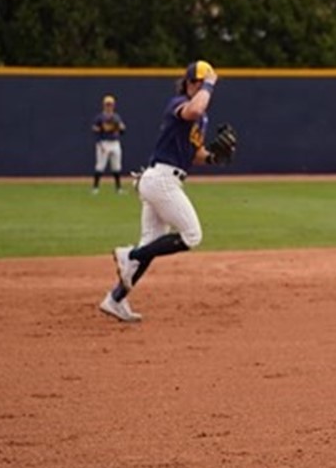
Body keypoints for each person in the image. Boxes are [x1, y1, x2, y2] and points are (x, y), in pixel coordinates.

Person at [99, 61, 235, 323]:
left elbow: (194, 154)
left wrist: (214, 158)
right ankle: (129, 255)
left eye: (202, 82)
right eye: (196, 82)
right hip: (162, 180)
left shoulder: (202, 117)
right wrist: (209, 83)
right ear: (187, 83)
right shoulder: (178, 103)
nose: (199, 86)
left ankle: (114, 299)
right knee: (192, 235)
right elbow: (194, 109)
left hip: (162, 179)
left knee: (151, 245)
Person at [91, 95, 126, 194]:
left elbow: (122, 130)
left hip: (114, 142)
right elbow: (95, 131)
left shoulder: (116, 117)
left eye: (110, 105)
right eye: (107, 105)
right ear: (104, 105)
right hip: (104, 142)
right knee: (100, 166)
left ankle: (118, 188)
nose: (109, 107)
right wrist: (99, 144)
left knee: (116, 166)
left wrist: (122, 128)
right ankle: (95, 188)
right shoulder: (100, 118)